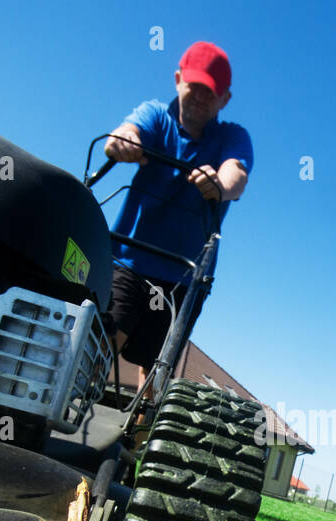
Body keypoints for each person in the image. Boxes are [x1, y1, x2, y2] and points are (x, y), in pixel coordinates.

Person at [103, 40, 253, 390]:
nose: (200, 97)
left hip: (184, 278)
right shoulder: (155, 116)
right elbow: (125, 133)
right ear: (178, 80)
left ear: (225, 99)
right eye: (194, 86)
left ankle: (135, 438)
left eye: (210, 92)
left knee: (155, 369)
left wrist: (218, 182)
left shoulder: (233, 136)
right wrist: (122, 141)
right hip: (128, 261)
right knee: (101, 344)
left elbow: (237, 176)